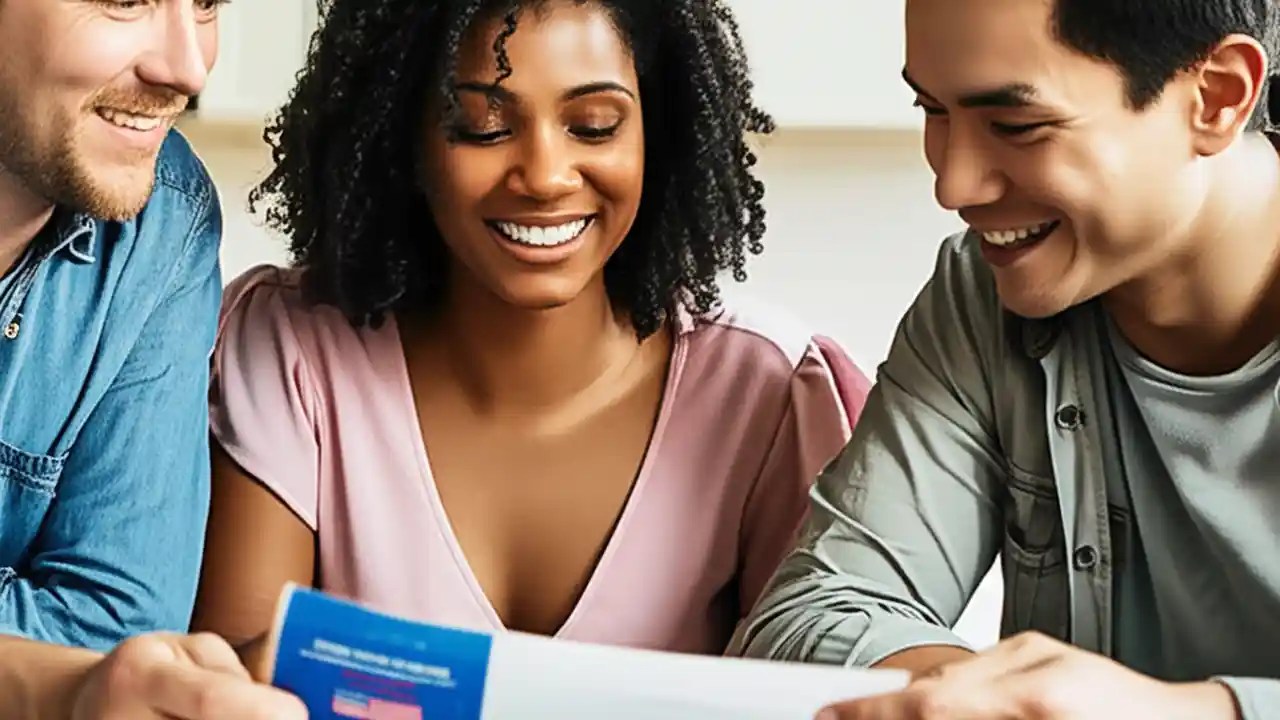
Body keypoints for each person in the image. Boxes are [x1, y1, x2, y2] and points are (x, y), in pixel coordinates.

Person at [191, 0, 869, 664]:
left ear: (657, 131)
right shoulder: (292, 354)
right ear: (402, 135)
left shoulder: (767, 391)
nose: (545, 177)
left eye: (595, 127)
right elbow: (231, 689)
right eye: (484, 127)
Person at [731, 0, 1280, 718]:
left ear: (1216, 97)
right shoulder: (981, 297)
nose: (953, 186)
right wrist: (987, 700)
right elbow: (809, 616)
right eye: (933, 110)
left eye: (1017, 126)